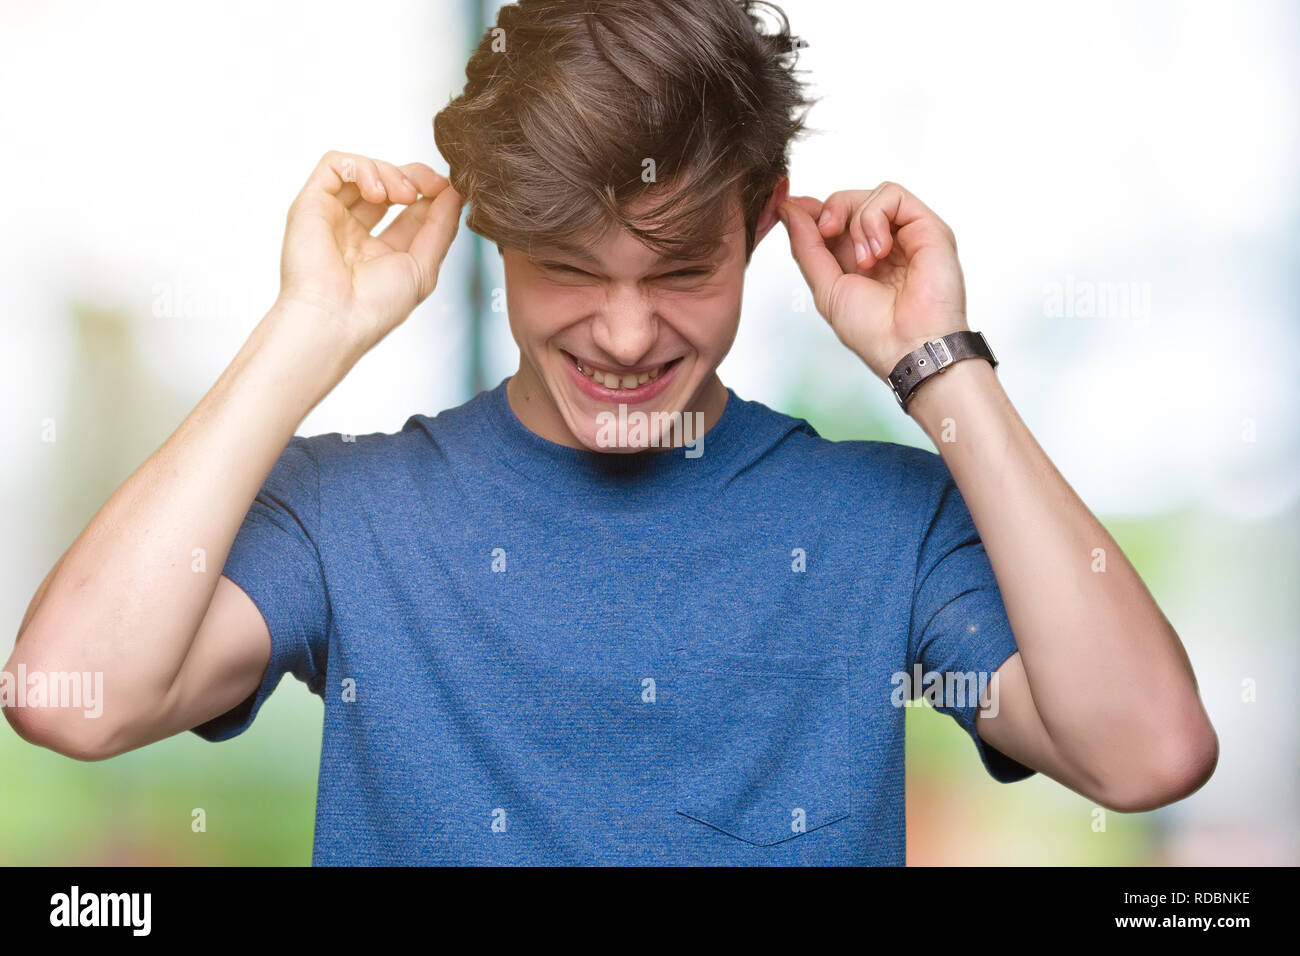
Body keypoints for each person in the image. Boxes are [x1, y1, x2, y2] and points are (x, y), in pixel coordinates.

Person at [4, 0, 1216, 865]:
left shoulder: (885, 524)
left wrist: (936, 361)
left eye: (681, 270)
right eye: (569, 270)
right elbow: (74, 697)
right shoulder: (348, 517)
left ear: (759, 224)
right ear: (491, 235)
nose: (626, 337)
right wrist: (312, 327)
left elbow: (1149, 752)